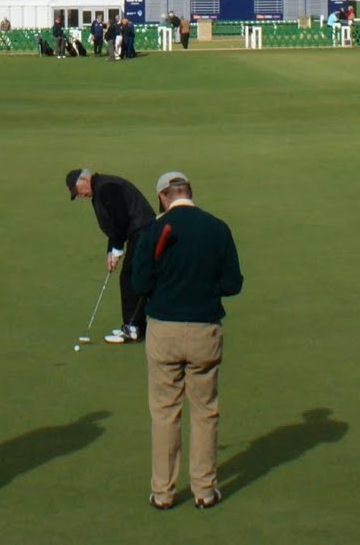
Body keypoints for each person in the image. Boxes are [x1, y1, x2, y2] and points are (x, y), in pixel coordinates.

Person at [132, 171, 244, 510]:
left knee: (165, 413)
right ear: (189, 193)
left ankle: (163, 492)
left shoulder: (153, 231)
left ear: (164, 197)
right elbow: (232, 284)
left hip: (164, 330)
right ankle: (205, 490)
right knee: (205, 411)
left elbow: (139, 284)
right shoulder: (217, 228)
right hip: (204, 331)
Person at [66, 169, 154, 342]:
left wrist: (116, 248)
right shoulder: (100, 189)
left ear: (84, 179)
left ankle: (133, 328)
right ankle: (134, 326)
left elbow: (121, 219)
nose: (79, 196)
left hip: (144, 232)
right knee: (130, 276)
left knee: (130, 277)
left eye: (78, 191)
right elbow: (114, 226)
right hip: (139, 233)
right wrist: (111, 251)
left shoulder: (107, 188)